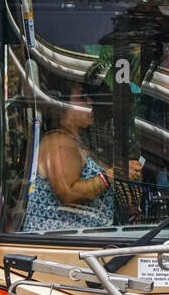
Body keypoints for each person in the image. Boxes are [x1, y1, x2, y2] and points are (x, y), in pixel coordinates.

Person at [21, 82, 141, 232]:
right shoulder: (59, 142)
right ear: (63, 105)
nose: (90, 102)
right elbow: (68, 193)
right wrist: (111, 175)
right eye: (82, 97)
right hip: (59, 245)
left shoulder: (75, 141)